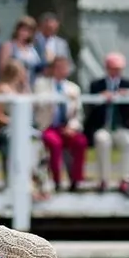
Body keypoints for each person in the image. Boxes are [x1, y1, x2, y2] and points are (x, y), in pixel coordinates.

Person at [85, 51, 129, 194]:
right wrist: (101, 97)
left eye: (119, 69)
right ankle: (104, 181)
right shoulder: (97, 85)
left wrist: (126, 94)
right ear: (107, 68)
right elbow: (90, 106)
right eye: (113, 68)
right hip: (103, 126)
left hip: (120, 127)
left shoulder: (128, 85)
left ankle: (125, 181)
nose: (116, 72)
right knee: (102, 140)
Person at [35, 54, 86, 191]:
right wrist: (60, 96)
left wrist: (72, 127)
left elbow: (78, 113)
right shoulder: (42, 84)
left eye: (65, 67)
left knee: (80, 141)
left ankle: (76, 181)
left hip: (67, 127)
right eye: (59, 67)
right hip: (49, 126)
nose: (62, 70)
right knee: (54, 143)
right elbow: (40, 102)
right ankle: (56, 180)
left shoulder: (74, 88)